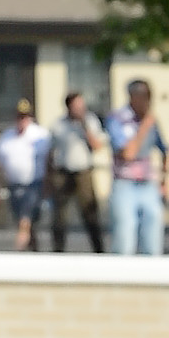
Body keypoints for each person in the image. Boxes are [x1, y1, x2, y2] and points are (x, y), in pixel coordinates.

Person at [108, 75, 169, 256]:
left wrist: (165, 181)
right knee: (124, 238)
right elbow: (127, 153)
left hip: (148, 184)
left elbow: (165, 150)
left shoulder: (152, 121)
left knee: (153, 237)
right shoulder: (117, 119)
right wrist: (143, 127)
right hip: (124, 183)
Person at [48, 88, 108, 254]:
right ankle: (58, 251)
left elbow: (97, 146)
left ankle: (98, 251)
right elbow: (51, 152)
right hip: (62, 172)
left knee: (90, 212)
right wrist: (49, 178)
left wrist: (84, 126)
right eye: (76, 106)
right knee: (60, 216)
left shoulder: (90, 121)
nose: (80, 109)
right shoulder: (58, 125)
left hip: (83, 172)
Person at [0, 99, 52, 251]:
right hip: (14, 185)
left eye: (25, 116)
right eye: (20, 116)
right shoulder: (7, 137)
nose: (22, 120)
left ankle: (17, 255)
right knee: (26, 225)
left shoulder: (40, 135)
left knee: (24, 223)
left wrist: (48, 185)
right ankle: (35, 254)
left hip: (34, 184)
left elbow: (49, 161)